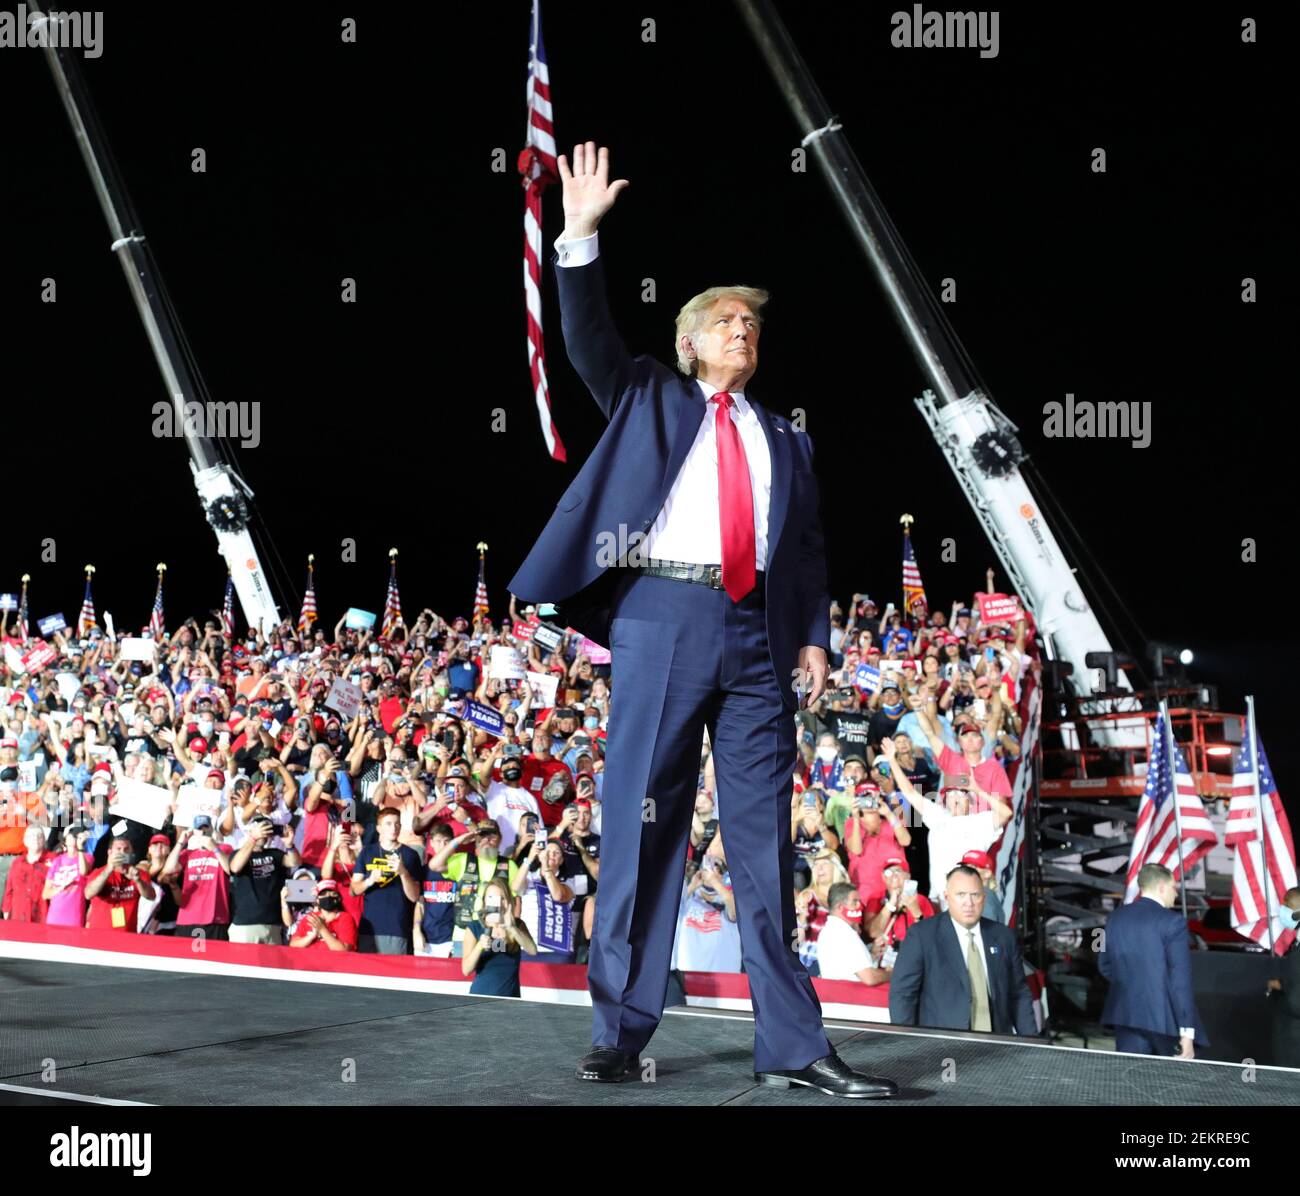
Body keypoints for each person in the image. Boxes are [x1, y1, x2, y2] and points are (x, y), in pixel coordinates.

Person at [508, 143, 893, 1098]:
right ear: (690, 344)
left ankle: (796, 1049)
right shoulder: (648, 393)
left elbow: (803, 553)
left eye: (751, 322)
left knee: (765, 843)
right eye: (723, 319)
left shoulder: (788, 439)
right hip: (663, 615)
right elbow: (588, 336)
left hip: (760, 634)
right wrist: (582, 236)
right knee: (645, 824)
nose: (741, 328)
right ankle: (622, 1033)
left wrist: (812, 635)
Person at [888, 864, 1038, 1036]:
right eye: (961, 895)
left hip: (997, 1047)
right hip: (942, 1048)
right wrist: (907, 1045)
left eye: (975, 895)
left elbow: (1018, 993)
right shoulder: (922, 936)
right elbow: (903, 994)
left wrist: (1030, 1043)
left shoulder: (1003, 936)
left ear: (984, 897)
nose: (969, 903)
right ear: (947, 897)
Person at [1098, 863, 1208, 1059]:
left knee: (1128, 1082)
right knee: (1168, 1085)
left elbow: (1104, 963)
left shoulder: (1114, 917)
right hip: (1164, 1021)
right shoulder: (1173, 922)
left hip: (1125, 1015)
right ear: (1162, 888)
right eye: (1174, 887)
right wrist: (1187, 1033)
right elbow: (1180, 980)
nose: (1176, 894)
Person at [884, 738, 1011, 905]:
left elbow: (1006, 813)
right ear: (945, 801)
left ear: (970, 801)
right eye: (951, 795)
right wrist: (892, 759)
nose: (956, 798)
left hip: (970, 897)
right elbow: (909, 792)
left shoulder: (981, 821)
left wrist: (977, 790)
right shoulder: (938, 816)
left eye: (961, 794)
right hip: (941, 897)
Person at [350, 807, 422, 954]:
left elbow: (414, 896)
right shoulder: (367, 852)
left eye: (397, 824)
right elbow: (353, 890)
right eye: (388, 824)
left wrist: (403, 873)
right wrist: (369, 881)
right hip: (369, 928)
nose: (393, 828)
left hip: (397, 928)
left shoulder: (411, 855)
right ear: (378, 828)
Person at [461, 876, 538, 996]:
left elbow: (532, 950)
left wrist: (511, 927)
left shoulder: (517, 925)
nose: (496, 902)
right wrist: (479, 946)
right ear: (485, 901)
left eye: (502, 898)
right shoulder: (475, 927)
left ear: (507, 900)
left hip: (510, 999)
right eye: (491, 897)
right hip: (480, 997)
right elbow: (466, 970)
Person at [229, 815, 300, 944]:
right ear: (250, 831)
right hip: (246, 924)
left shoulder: (275, 853)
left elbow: (294, 862)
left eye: (266, 829)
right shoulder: (237, 853)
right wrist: (253, 838)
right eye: (260, 828)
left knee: (271, 963)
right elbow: (235, 867)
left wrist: (289, 845)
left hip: (273, 923)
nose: (263, 832)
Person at [816, 882, 889, 984]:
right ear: (840, 907)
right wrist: (894, 974)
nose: (860, 906)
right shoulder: (843, 934)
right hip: (849, 998)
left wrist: (873, 953)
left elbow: (850, 969)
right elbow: (870, 978)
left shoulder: (830, 930)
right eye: (855, 902)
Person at [84, 835, 157, 933]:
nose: (122, 853)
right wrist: (109, 870)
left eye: (126, 849)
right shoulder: (99, 872)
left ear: (131, 853)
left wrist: (138, 881)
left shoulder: (138, 873)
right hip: (99, 934)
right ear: (110, 852)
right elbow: (88, 894)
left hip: (127, 936)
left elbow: (152, 896)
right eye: (118, 849)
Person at [1267, 887, 1300, 1068]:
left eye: (1287, 905)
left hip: (1294, 1039)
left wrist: (1281, 989)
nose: (1282, 909)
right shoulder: (1296, 945)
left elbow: (1297, 1000)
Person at [42, 824, 93, 928]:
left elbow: (83, 871)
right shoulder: (57, 860)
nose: (73, 838)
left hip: (74, 916)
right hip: (54, 915)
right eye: (71, 835)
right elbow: (45, 894)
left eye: (76, 835)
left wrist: (80, 848)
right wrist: (62, 887)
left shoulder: (87, 857)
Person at [288, 878, 358, 951]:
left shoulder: (345, 918)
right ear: (317, 900)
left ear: (339, 898)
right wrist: (311, 936)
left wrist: (323, 930)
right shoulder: (310, 918)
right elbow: (293, 944)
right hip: (309, 961)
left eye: (333, 894)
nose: (328, 897)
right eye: (324, 894)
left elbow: (344, 950)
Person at [1, 825, 50, 923]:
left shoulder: (53, 861)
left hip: (42, 917)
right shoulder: (17, 863)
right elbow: (9, 889)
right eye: (31, 836)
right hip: (18, 916)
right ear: (25, 841)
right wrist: (6, 910)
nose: (35, 839)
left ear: (44, 840)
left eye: (39, 836)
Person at [961, 849, 1005, 923]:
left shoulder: (982, 898)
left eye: (973, 867)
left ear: (987, 873)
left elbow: (987, 932)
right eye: (964, 867)